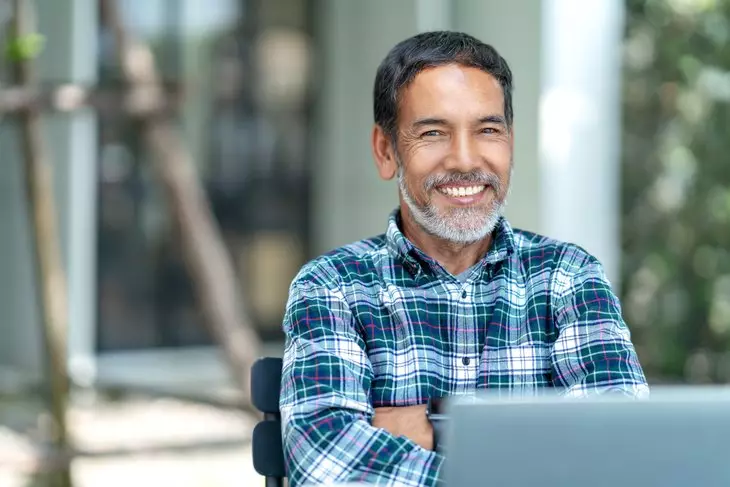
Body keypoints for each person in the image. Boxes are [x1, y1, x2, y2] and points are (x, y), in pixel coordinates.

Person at [279, 31, 649, 487]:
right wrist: (530, 457)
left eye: (488, 130)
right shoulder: (331, 287)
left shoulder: (567, 278)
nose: (465, 159)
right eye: (433, 133)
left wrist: (434, 426)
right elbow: (328, 464)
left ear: (510, 144)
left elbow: (621, 452)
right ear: (385, 150)